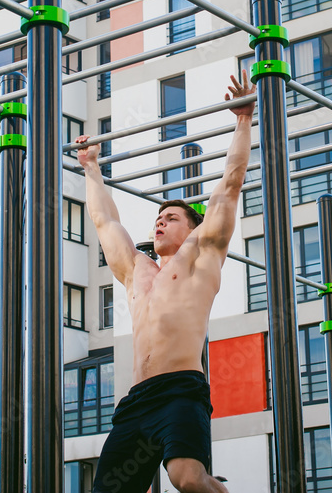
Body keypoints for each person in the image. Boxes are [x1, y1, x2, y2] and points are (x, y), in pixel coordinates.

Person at [75, 72, 254, 493]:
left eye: (170, 217)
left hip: (180, 390)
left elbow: (229, 188)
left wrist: (243, 119)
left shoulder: (201, 256)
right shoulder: (136, 269)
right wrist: (91, 169)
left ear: (193, 228)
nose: (160, 222)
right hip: (137, 400)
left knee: (186, 478)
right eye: (157, 218)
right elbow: (105, 220)